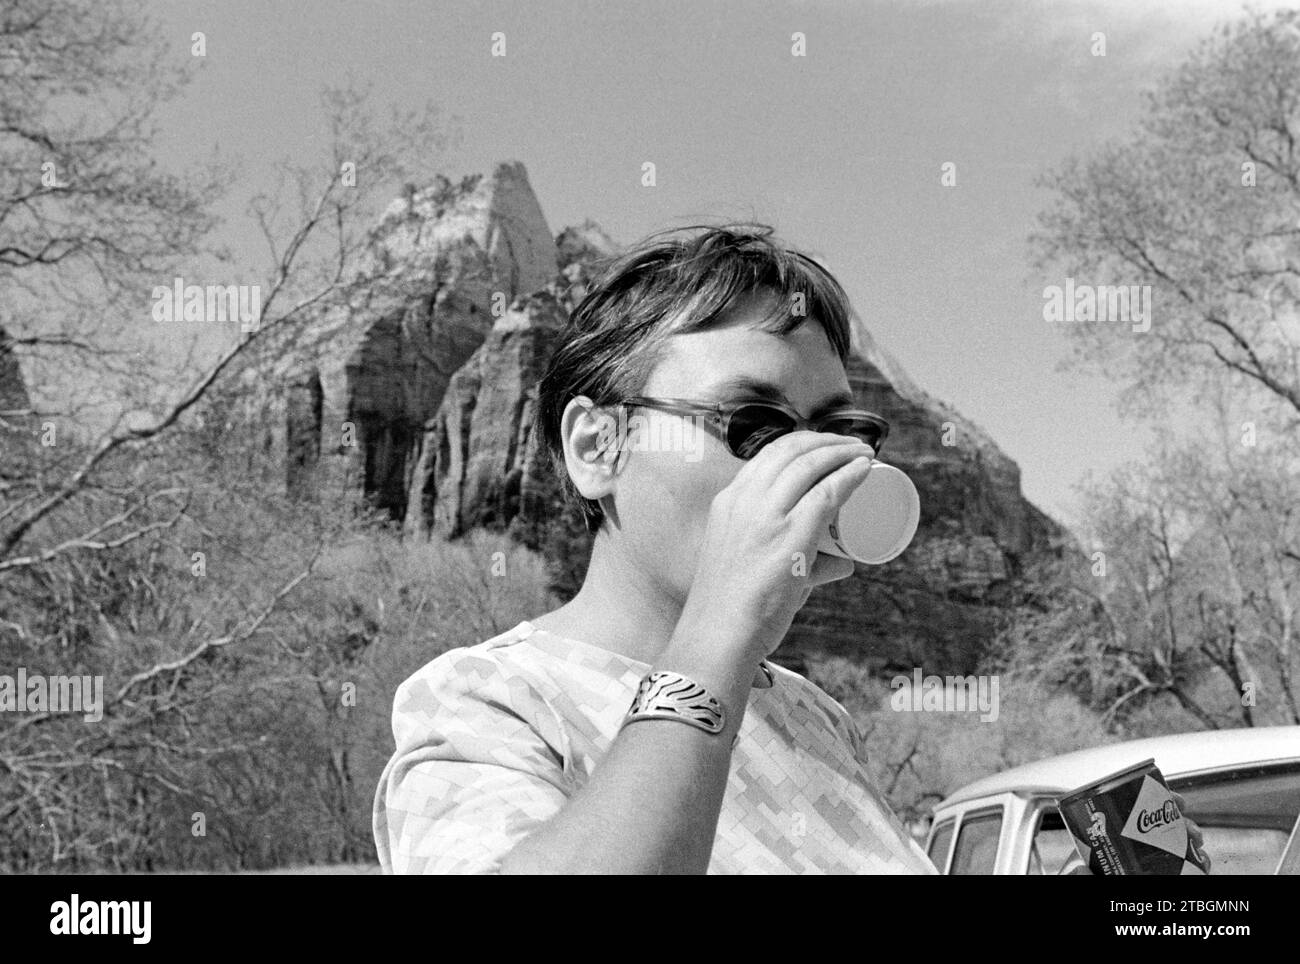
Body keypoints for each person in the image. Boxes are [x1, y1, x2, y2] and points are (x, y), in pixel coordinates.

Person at [373, 222, 1200, 874]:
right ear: (597, 447)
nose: (811, 470)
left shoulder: (810, 710)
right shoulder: (482, 700)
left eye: (838, 433)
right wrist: (719, 633)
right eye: (754, 425)